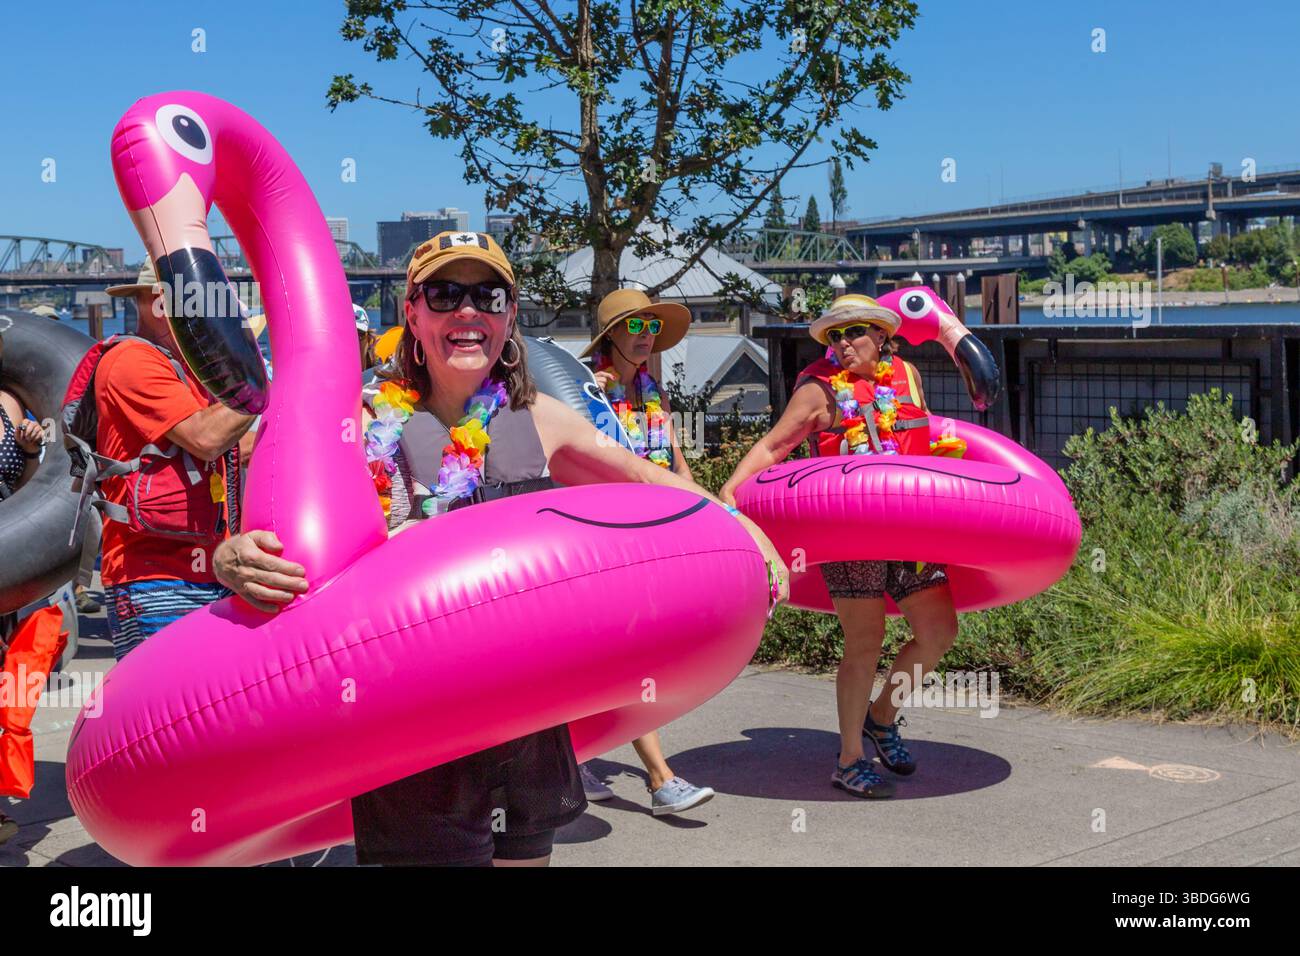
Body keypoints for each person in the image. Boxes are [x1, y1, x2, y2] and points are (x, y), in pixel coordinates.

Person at [212, 231, 787, 866]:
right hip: (412, 721)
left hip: (528, 712)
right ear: (412, 311)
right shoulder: (361, 422)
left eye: (487, 295)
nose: (467, 311)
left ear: (509, 315)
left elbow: (652, 481)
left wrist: (744, 528)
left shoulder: (541, 418)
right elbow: (280, 513)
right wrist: (230, 554)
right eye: (444, 293)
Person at [720, 294, 959, 800]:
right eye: (834, 336)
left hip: (910, 527)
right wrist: (730, 493)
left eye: (854, 334)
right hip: (851, 533)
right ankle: (849, 758)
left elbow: (922, 434)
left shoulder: (908, 376)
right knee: (865, 642)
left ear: (883, 337)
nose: (843, 344)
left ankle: (882, 716)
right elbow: (772, 447)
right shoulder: (819, 389)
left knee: (938, 631)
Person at [574, 289, 715, 814]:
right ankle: (660, 777)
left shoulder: (653, 391)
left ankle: (570, 754)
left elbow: (677, 464)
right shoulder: (588, 390)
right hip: (608, 541)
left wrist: (708, 516)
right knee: (632, 655)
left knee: (613, 657)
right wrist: (592, 403)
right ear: (610, 336)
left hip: (657, 537)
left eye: (652, 327)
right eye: (635, 327)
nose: (645, 336)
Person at [97, 260, 256, 660]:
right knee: (163, 716)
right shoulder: (132, 361)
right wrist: (260, 384)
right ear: (164, 305)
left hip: (207, 571)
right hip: (153, 578)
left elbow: (232, 446)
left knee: (210, 711)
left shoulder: (183, 370)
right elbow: (206, 438)